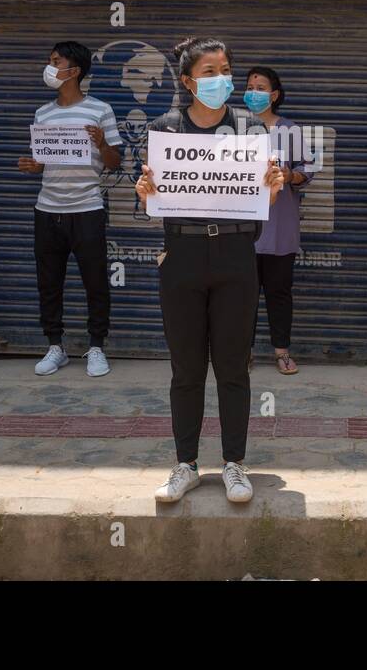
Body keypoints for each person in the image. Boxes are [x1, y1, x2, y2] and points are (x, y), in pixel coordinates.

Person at [136, 37, 285, 505]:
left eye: (225, 70)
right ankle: (186, 465)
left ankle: (235, 465)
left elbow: (262, 200)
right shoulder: (166, 129)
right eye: (208, 71)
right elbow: (152, 205)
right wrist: (145, 192)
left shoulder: (249, 129)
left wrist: (272, 187)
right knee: (186, 368)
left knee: (232, 366)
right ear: (187, 81)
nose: (220, 79)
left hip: (237, 256)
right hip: (181, 255)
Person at [17, 42, 123, 377]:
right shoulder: (43, 114)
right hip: (47, 209)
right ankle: (55, 346)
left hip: (87, 208)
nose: (49, 68)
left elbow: (115, 163)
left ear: (74, 71)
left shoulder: (100, 110)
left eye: (55, 62)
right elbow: (43, 161)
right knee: (49, 282)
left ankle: (96, 347)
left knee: (95, 282)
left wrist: (102, 143)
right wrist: (34, 167)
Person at [244, 66, 313, 375]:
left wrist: (290, 175)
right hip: (242, 229)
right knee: (240, 295)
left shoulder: (290, 130)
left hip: (280, 227)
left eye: (260, 88)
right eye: (249, 86)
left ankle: (281, 352)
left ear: (273, 95)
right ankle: (241, 352)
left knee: (279, 293)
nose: (253, 92)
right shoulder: (233, 128)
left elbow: (307, 171)